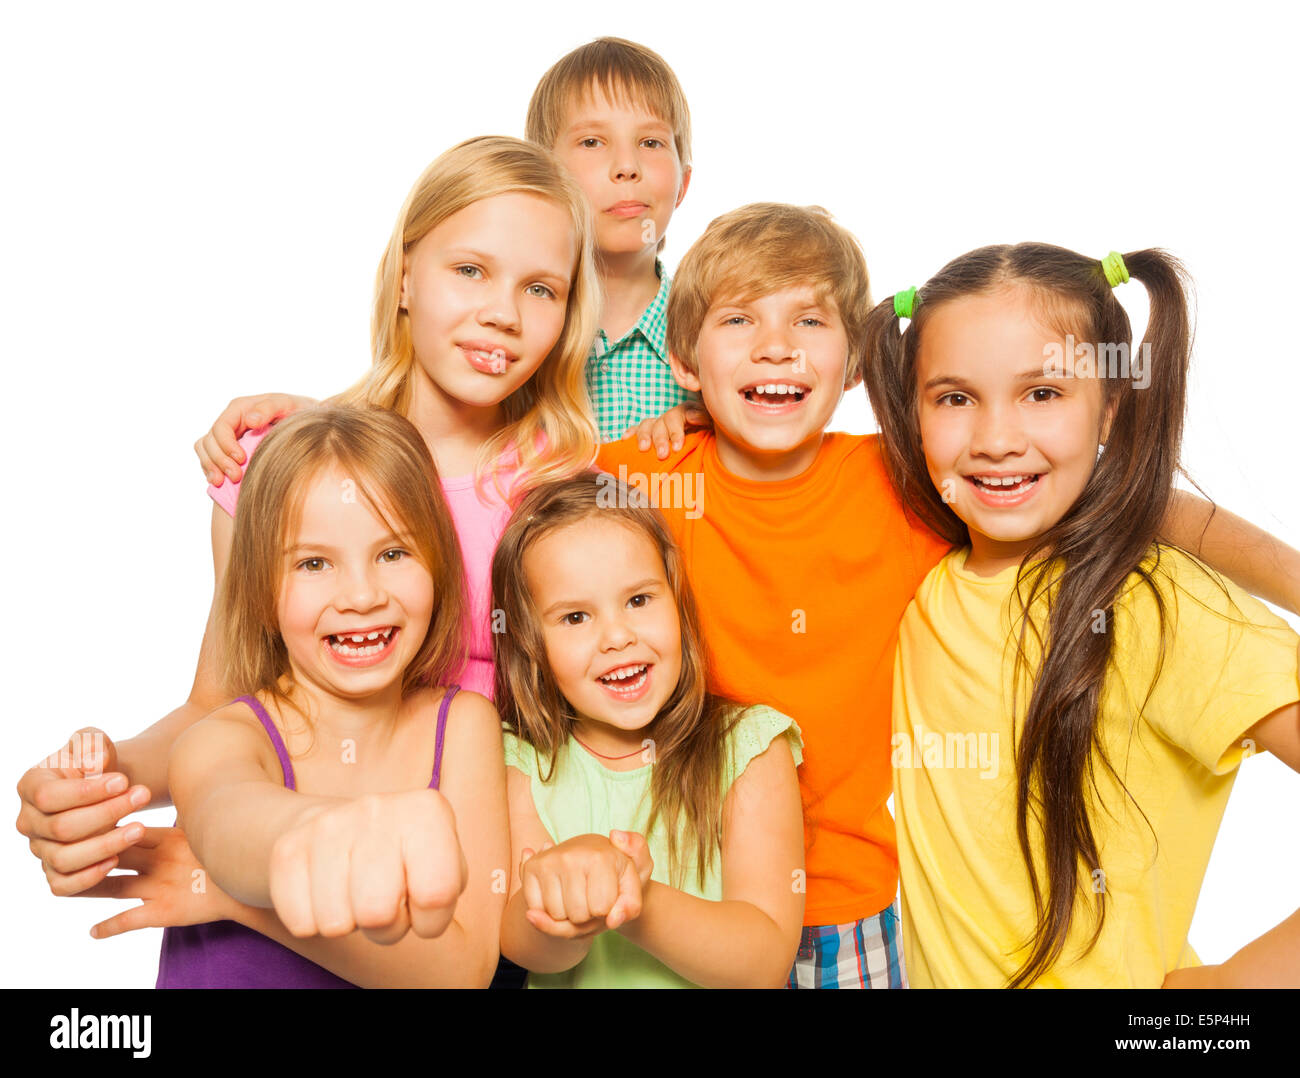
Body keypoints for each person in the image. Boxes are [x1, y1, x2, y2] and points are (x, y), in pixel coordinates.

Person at [17, 135, 599, 904]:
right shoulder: (279, 467)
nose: (502, 314)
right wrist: (103, 787)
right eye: (469, 270)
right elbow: (220, 702)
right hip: (284, 870)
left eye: (541, 289)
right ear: (403, 279)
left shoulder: (565, 496)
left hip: (472, 897)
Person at [864, 243, 1300, 987]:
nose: (996, 438)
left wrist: (1238, 986)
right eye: (955, 397)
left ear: (1110, 409)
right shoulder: (915, 571)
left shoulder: (1154, 603)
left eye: (1043, 393)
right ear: (913, 412)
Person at [92, 406, 508, 987]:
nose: (361, 596)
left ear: (438, 565)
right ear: (262, 592)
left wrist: (233, 898)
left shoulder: (465, 724)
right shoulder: (225, 735)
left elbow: (460, 973)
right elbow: (227, 818)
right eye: (314, 563)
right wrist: (315, 834)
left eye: (393, 554)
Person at [492, 473, 804, 987]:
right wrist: (560, 899)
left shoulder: (749, 748)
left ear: (677, 602)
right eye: (574, 617)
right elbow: (521, 946)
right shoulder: (519, 761)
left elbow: (764, 961)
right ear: (530, 645)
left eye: (638, 600)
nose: (617, 636)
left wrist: (638, 898)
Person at [526, 36, 697, 442]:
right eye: (592, 142)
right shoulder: (518, 331)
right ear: (542, 179)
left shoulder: (716, 339)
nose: (626, 167)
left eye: (650, 142)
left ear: (683, 184)